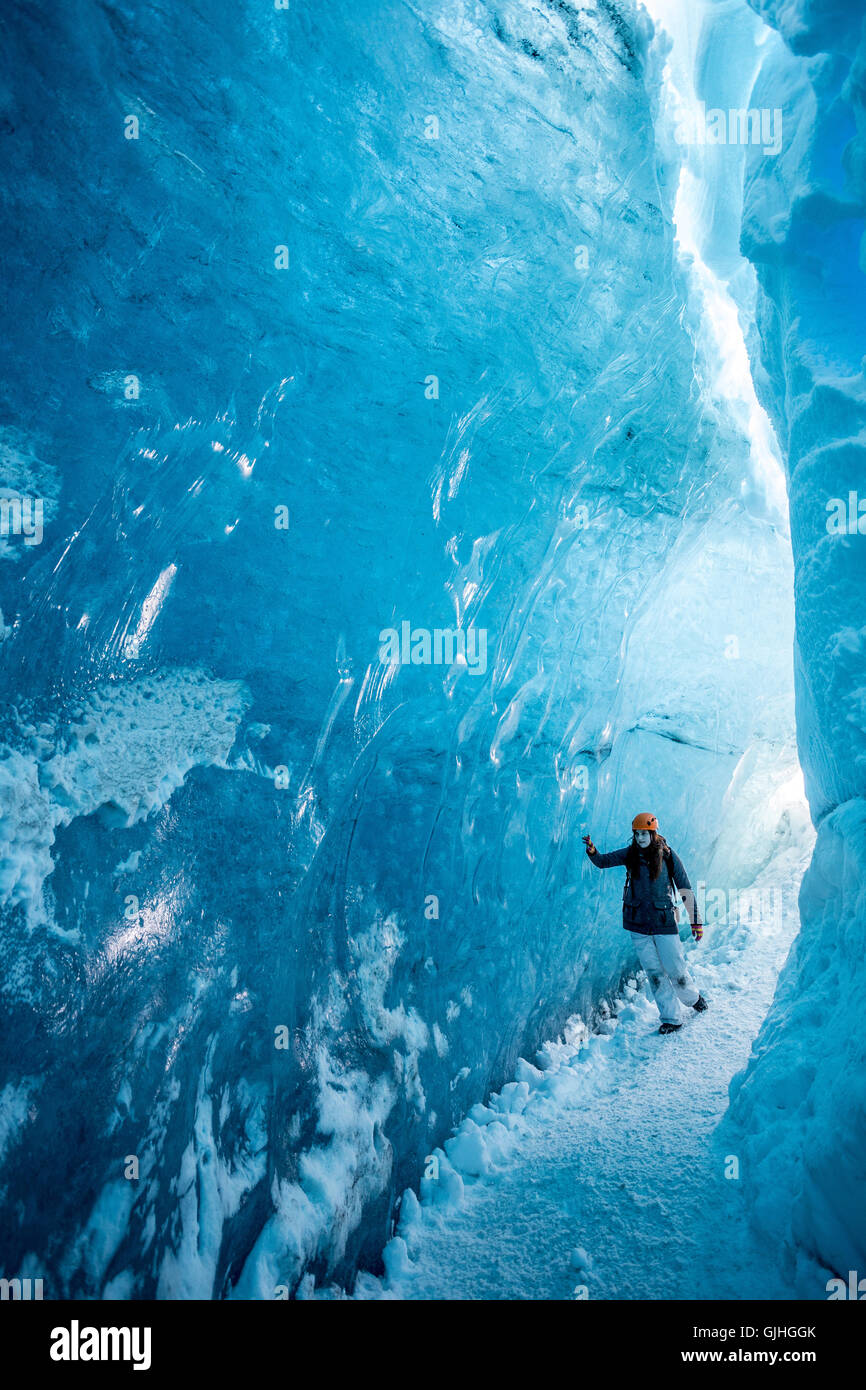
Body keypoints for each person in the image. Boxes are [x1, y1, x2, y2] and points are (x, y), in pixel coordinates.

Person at [583, 812, 708, 1034]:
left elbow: (684, 887)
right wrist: (592, 851)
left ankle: (693, 998)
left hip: (663, 921)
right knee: (655, 974)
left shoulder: (668, 855)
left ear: (653, 832)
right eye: (637, 833)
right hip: (638, 924)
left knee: (675, 968)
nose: (640, 837)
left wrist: (695, 921)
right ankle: (671, 1018)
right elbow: (604, 862)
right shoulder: (630, 854)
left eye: (644, 833)